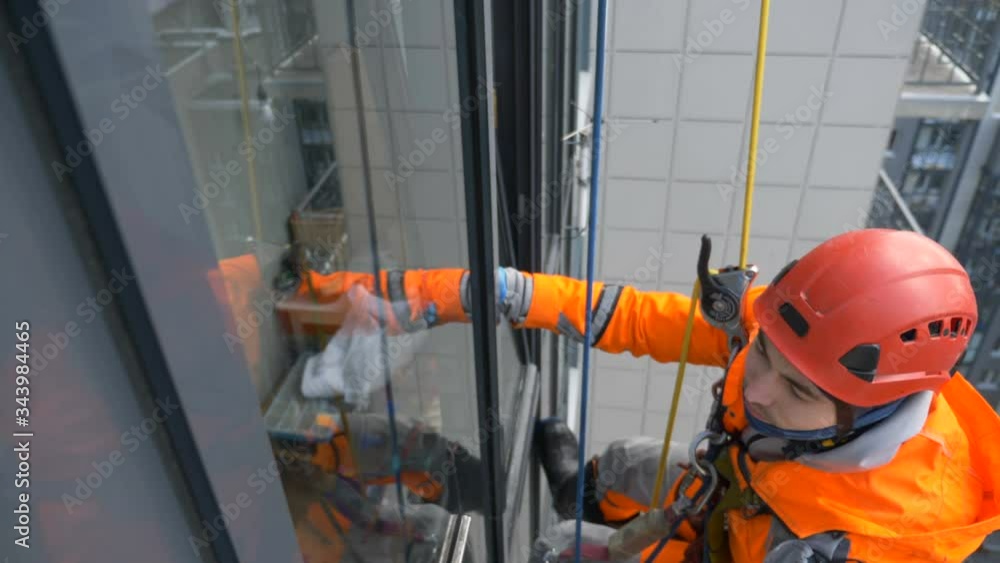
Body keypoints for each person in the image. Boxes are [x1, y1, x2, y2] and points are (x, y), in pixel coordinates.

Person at [297, 228, 1000, 562]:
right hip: (741, 491)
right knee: (630, 462)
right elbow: (627, 316)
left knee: (557, 548)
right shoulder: (810, 344)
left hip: (734, 541)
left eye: (792, 388)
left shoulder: (859, 548)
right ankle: (583, 489)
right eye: (758, 349)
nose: (753, 387)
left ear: (864, 417)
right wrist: (449, 295)